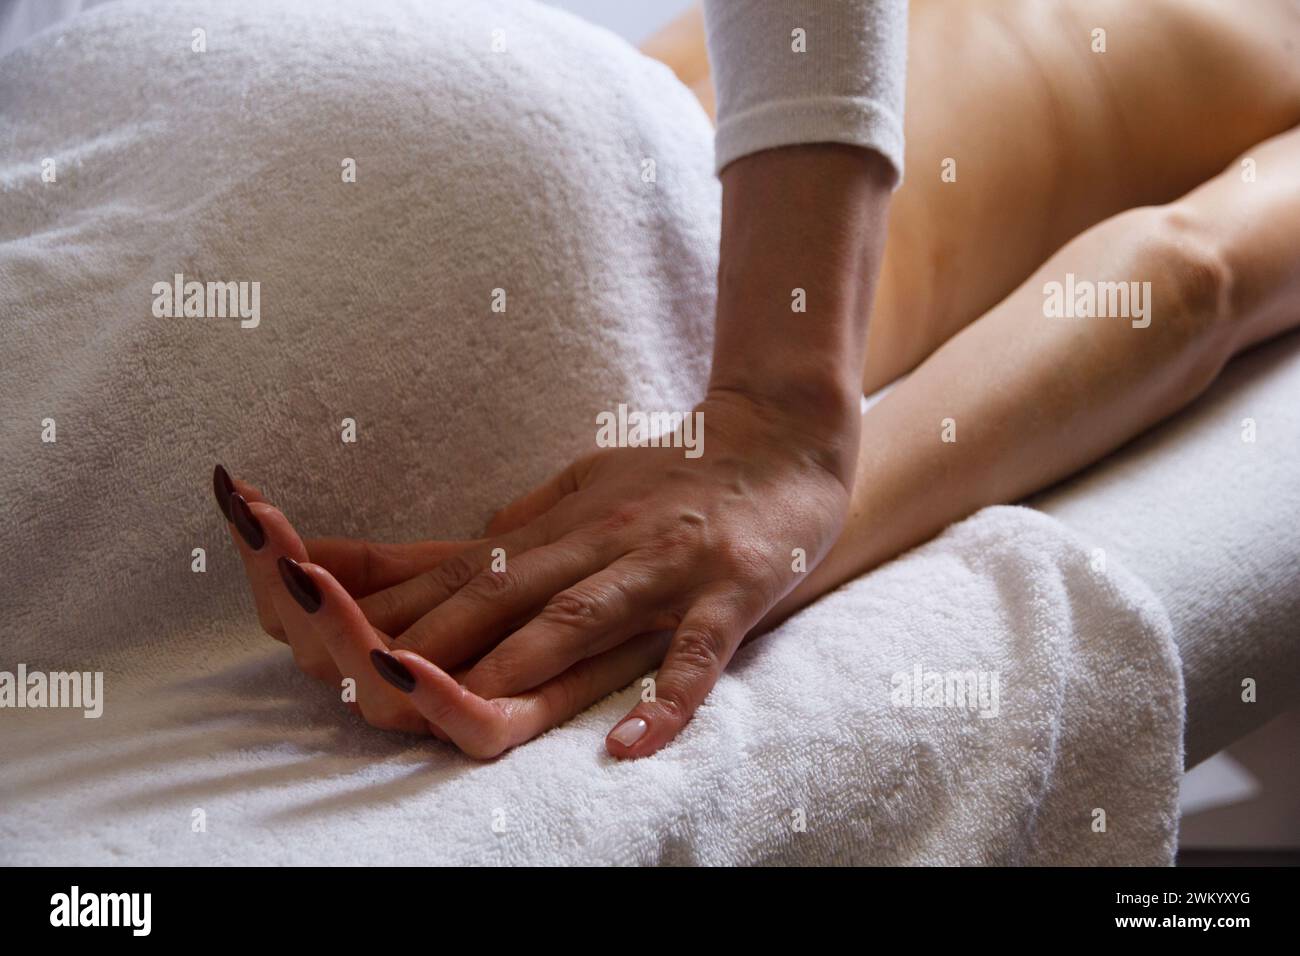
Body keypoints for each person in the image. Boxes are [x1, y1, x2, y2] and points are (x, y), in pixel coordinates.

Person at [215, 0, 1300, 760]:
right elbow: (1182, 275)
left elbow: (1187, 278)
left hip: (412, 109)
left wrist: (776, 503)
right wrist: (783, 507)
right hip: (611, 282)